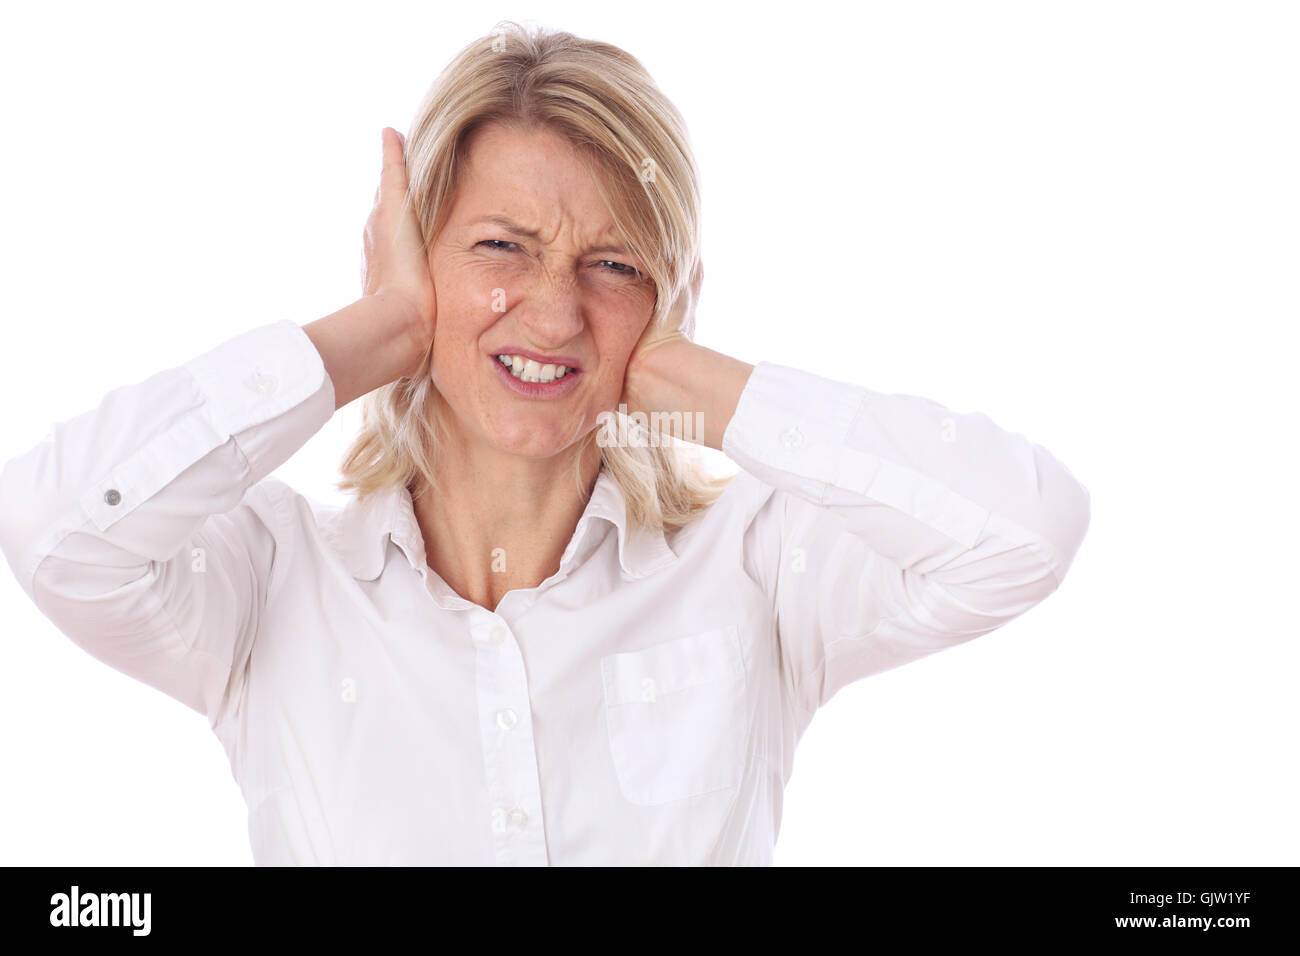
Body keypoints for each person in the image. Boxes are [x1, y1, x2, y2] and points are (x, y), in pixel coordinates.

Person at [0, 22, 1090, 865]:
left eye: (612, 264)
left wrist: (686, 382)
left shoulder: (757, 567)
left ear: (671, 298)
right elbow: (55, 524)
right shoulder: (270, 583)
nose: (556, 313)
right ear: (412, 262)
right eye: (499, 247)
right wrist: (370, 333)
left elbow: (1024, 531)